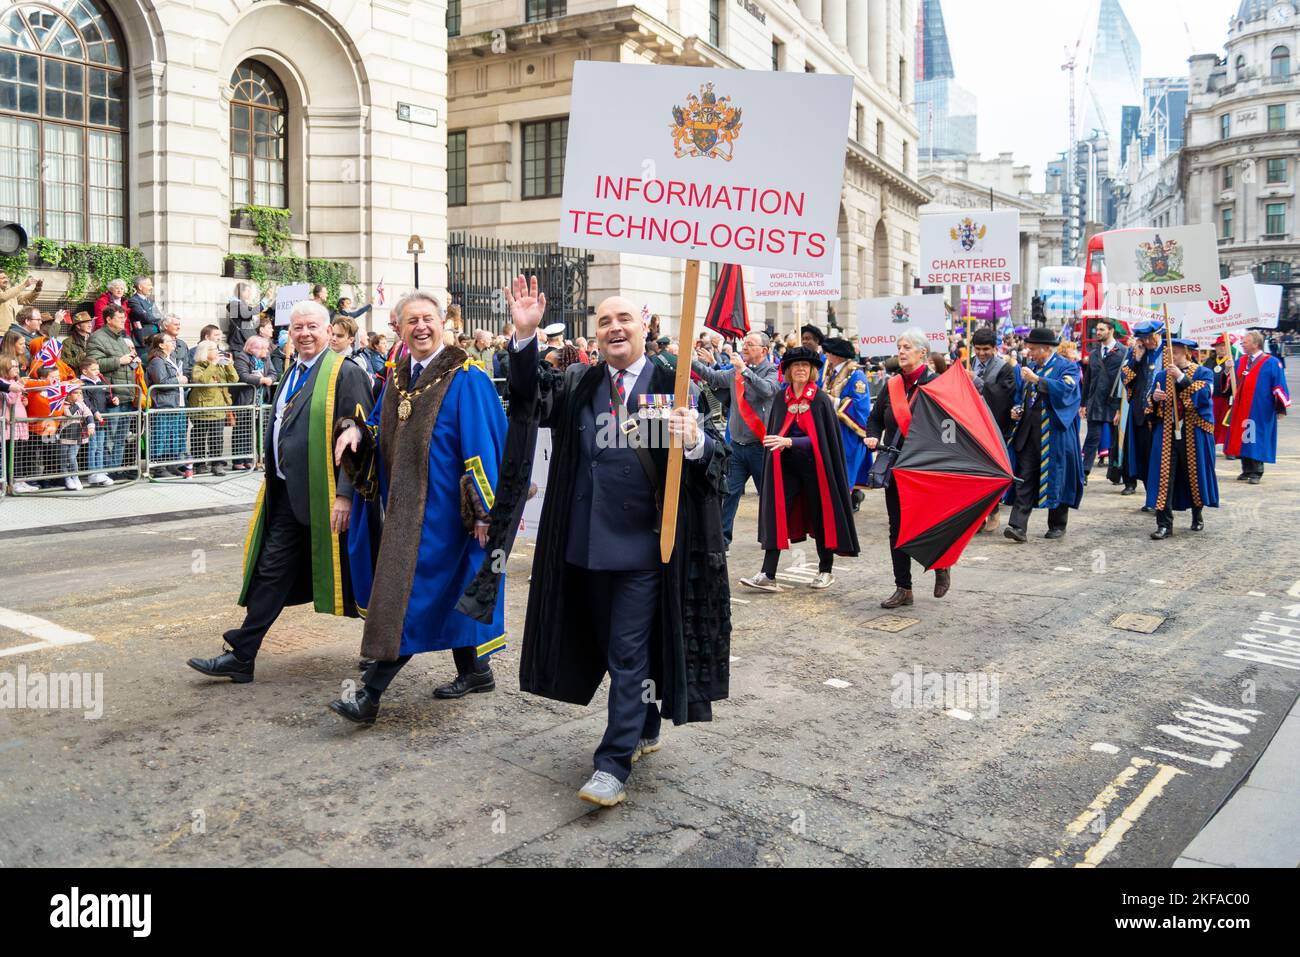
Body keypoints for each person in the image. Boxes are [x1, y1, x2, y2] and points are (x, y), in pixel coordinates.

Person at [498, 276, 730, 808]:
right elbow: (528, 397)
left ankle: (612, 763)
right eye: (603, 321)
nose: (613, 328)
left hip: (646, 549)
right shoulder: (580, 381)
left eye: (623, 319)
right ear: (596, 336)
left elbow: (714, 457)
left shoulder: (675, 384)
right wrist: (526, 336)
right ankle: (645, 720)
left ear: (645, 329)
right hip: (583, 546)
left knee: (627, 652)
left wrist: (693, 441)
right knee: (612, 647)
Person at [328, 291, 508, 723]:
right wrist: (356, 431)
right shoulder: (397, 376)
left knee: (409, 600)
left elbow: (482, 447)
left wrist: (484, 513)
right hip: (405, 512)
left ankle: (370, 695)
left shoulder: (468, 376)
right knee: (447, 594)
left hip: (449, 518)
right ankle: (476, 670)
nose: (421, 327)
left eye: (428, 318)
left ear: (443, 322)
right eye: (412, 321)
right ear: (399, 328)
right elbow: (377, 423)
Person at [186, 300, 374, 684]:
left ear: (327, 330)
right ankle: (242, 655)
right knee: (271, 571)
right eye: (298, 326)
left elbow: (360, 437)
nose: (304, 333)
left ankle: (389, 648)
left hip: (332, 499)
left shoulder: (345, 373)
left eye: (312, 327)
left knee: (363, 574)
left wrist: (345, 495)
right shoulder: (292, 372)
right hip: (290, 495)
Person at [739, 346, 859, 592]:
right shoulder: (782, 400)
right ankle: (767, 574)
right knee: (777, 515)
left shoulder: (821, 400)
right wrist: (775, 442)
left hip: (817, 470)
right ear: (789, 372)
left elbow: (822, 442)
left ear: (812, 370)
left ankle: (825, 570)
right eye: (796, 366)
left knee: (820, 515)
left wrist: (790, 442)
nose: (801, 369)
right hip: (786, 468)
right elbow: (776, 429)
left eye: (805, 366)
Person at [867, 329, 947, 608]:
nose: (901, 352)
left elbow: (949, 430)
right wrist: (873, 435)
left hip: (925, 468)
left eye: (907, 347)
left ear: (922, 353)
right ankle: (904, 588)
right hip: (895, 465)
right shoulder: (892, 386)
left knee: (927, 523)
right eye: (899, 346)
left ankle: (940, 565)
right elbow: (875, 419)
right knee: (897, 528)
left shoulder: (938, 385)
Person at [691, 331, 779, 548]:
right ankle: (722, 540)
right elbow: (713, 378)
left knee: (768, 497)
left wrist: (744, 370)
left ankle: (772, 539)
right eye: (744, 343)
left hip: (760, 446)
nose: (745, 347)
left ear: (764, 351)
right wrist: (690, 361)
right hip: (737, 447)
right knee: (728, 494)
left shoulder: (773, 371)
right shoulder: (736, 372)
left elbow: (767, 390)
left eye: (750, 344)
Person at [1004, 327, 1084, 543]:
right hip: (1029, 432)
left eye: (1032, 349)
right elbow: (1023, 396)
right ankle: (1017, 526)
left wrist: (1038, 380)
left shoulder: (1067, 367)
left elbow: (1067, 391)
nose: (1028, 352)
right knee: (1025, 476)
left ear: (1047, 348)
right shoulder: (1030, 367)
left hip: (1055, 433)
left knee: (1057, 475)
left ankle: (1057, 524)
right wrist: (1017, 408)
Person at [1147, 338, 1218, 539]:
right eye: (1169, 353)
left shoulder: (1204, 373)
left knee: (1192, 475)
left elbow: (1203, 397)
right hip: (1167, 433)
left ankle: (1197, 514)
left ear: (1186, 353)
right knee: (1163, 478)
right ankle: (1164, 525)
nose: (1171, 357)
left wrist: (1180, 378)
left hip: (1193, 433)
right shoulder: (1161, 375)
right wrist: (1155, 398)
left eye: (1175, 353)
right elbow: (1149, 404)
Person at [1225, 330, 1291, 484]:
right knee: (1242, 437)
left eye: (1245, 342)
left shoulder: (1272, 362)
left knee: (1257, 438)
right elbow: (1230, 384)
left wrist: (1280, 409)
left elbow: (1279, 386)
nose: (1242, 345)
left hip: (1260, 408)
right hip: (1241, 407)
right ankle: (1246, 469)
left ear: (1256, 344)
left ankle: (1257, 471)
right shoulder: (1240, 361)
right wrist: (1228, 370)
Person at [85, 303, 140, 477]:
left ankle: (116, 468)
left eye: (124, 317)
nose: (124, 320)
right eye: (120, 317)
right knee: (110, 436)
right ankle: (108, 470)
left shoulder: (122, 338)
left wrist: (132, 361)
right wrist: (119, 360)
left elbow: (124, 360)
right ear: (108, 319)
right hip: (111, 395)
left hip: (127, 393)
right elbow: (93, 364)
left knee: (121, 436)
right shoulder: (97, 337)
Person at [820, 337, 873, 512]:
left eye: (828, 352)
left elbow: (860, 406)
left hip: (847, 431)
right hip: (831, 427)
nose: (825, 354)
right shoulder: (830, 372)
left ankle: (846, 501)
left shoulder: (856, 375)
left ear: (837, 355)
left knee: (846, 468)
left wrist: (833, 401)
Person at [1118, 319, 1164, 500]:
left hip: (1161, 413)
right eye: (1143, 338)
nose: (1147, 341)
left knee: (1159, 458)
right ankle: (1150, 496)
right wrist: (1136, 359)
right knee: (1143, 457)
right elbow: (1125, 377)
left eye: (1149, 337)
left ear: (1158, 334)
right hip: (1140, 413)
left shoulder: (1169, 352)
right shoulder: (1136, 353)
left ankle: (1158, 498)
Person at [1080, 320, 1125, 479]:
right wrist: (1083, 403)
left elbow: (1126, 381)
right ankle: (1084, 473)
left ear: (1111, 330)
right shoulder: (1093, 354)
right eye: (1097, 329)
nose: (1097, 332)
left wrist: (1121, 407)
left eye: (1101, 329)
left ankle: (1118, 475)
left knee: (1117, 442)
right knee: (1092, 438)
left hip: (1115, 403)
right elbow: (1088, 380)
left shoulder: (1124, 352)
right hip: (1095, 402)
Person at [188, 340, 239, 475]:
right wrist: (213, 364)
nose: (217, 352)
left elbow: (234, 379)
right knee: (199, 437)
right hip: (202, 408)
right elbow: (202, 381)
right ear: (206, 352)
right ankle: (199, 464)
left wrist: (229, 365)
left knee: (217, 437)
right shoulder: (198, 366)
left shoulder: (221, 366)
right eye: (214, 349)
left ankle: (216, 464)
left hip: (219, 407)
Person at [144, 333, 187, 478]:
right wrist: (178, 380)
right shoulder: (157, 361)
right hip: (163, 404)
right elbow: (161, 383)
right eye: (170, 341)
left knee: (173, 436)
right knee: (160, 436)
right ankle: (158, 467)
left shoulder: (171, 359)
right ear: (161, 345)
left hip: (176, 403)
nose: (174, 343)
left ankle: (171, 464)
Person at [78, 358, 112, 486]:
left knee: (100, 446)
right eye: (93, 369)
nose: (97, 372)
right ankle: (93, 472)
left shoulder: (100, 381)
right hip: (91, 419)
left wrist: (112, 401)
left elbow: (106, 397)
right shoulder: (82, 383)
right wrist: (95, 412)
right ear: (85, 371)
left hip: (101, 418)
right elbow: (86, 401)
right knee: (93, 447)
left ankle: (100, 470)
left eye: (98, 369)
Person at [56, 382, 94, 490]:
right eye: (75, 393)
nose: (79, 395)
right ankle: (67, 478)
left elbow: (89, 414)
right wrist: (78, 404)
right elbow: (69, 414)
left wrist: (91, 426)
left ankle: (75, 477)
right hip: (64, 436)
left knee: (72, 457)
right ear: (68, 395)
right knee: (63, 458)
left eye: (80, 393)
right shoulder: (62, 404)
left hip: (76, 436)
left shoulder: (82, 405)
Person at [1210, 333, 1237, 452]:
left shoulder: (1235, 362)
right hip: (1212, 398)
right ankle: (1211, 446)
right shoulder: (1209, 361)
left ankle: (1229, 448)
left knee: (1227, 425)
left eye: (1224, 345)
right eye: (1219, 346)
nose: (1221, 348)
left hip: (1227, 398)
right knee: (1212, 423)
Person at [0, 272, 42, 337]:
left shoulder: (11, 292)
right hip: (1, 335)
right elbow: (3, 297)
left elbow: (26, 300)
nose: (6, 280)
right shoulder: (7, 294)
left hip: (12, 333)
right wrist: (24, 285)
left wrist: (37, 289)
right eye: (2, 278)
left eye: (6, 278)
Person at [127, 275, 163, 349]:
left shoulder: (150, 301)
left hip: (156, 337)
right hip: (143, 339)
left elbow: (159, 316)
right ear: (140, 287)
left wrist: (155, 316)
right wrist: (155, 317)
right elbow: (146, 318)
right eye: (149, 285)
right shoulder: (133, 300)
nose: (151, 287)